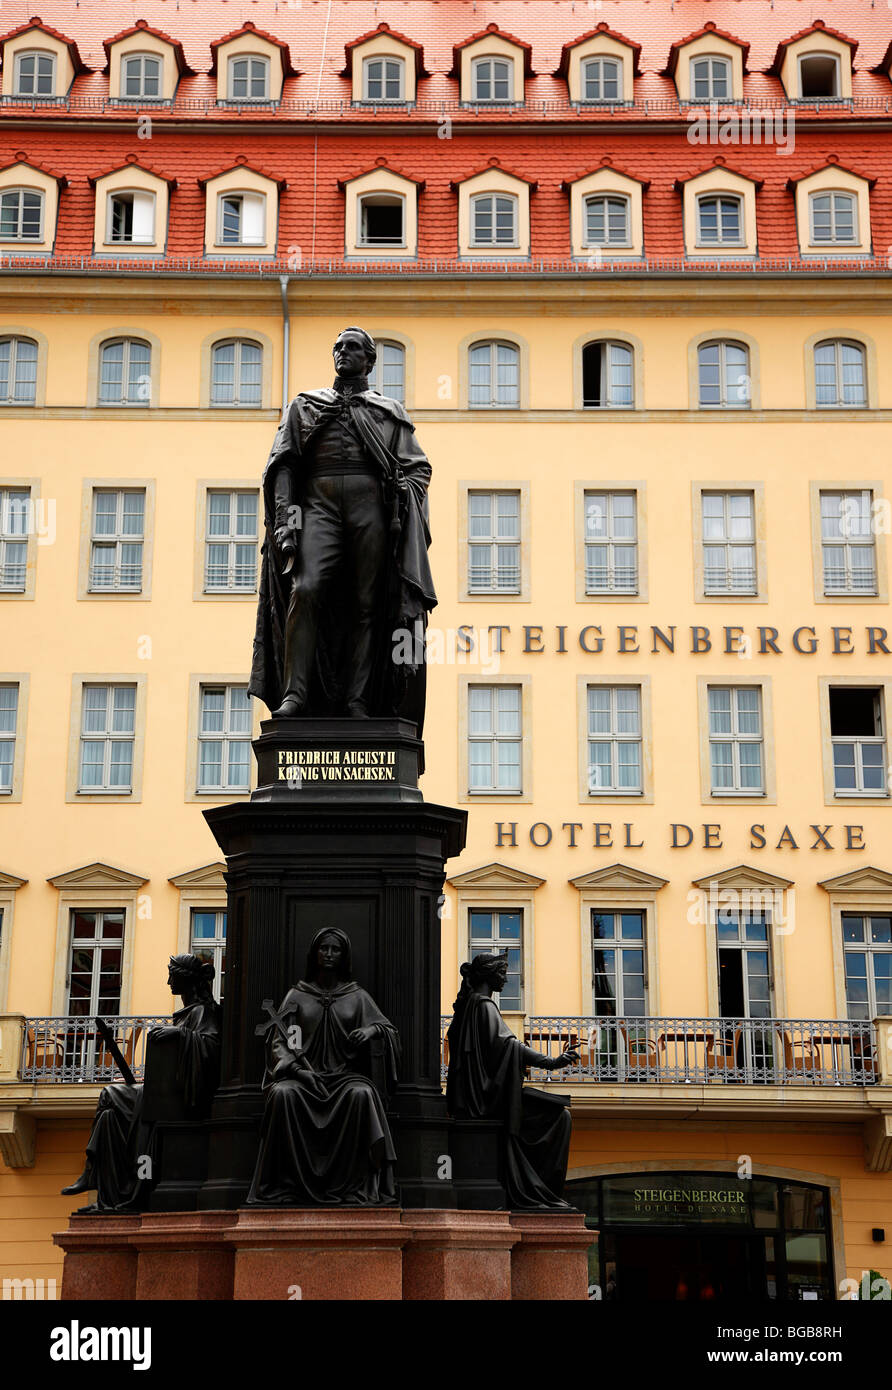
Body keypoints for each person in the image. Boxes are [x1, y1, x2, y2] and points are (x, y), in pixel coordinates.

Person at [249, 327, 436, 728]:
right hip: (318, 504)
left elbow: (418, 468)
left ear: (369, 360)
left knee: (367, 605)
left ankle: (358, 700)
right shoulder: (304, 406)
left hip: (371, 511)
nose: (342, 353)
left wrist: (404, 490)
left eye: (352, 347)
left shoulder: (389, 412)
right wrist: (286, 522)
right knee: (306, 587)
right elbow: (283, 464)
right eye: (337, 347)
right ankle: (295, 694)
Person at [247, 927, 400, 1206]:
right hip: (303, 1078)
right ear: (314, 953)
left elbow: (388, 1029)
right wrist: (298, 1071)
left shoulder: (357, 996)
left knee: (362, 1095)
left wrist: (371, 1031)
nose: (329, 954)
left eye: (335, 949)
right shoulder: (296, 995)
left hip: (344, 1078)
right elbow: (278, 1042)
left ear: (344, 956)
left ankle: (354, 1186)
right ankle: (284, 1184)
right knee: (283, 1095)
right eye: (324, 948)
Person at [61, 954, 222, 1212]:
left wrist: (180, 1033)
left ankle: (90, 1175)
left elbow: (212, 1048)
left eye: (173, 975)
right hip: (167, 1090)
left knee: (109, 1093)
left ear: (187, 980)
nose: (169, 981)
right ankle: (108, 1195)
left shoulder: (201, 1012)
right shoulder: (188, 1013)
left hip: (182, 1096)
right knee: (108, 1119)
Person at [446, 952, 579, 1210]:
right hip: (488, 1100)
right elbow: (509, 1046)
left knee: (557, 1114)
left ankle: (537, 1189)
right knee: (560, 1118)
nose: (506, 979)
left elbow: (501, 1050)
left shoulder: (472, 1005)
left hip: (484, 1095)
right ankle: (537, 1191)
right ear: (491, 975)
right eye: (503, 973)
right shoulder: (484, 1006)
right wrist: (552, 1062)